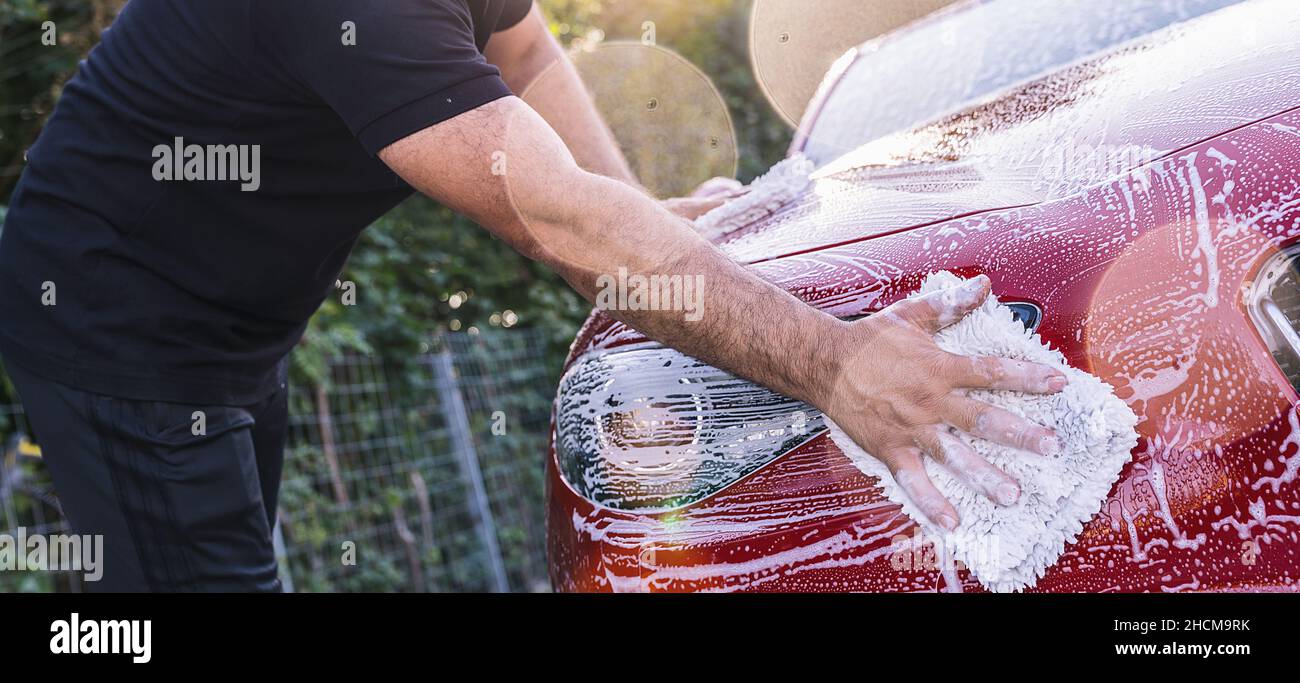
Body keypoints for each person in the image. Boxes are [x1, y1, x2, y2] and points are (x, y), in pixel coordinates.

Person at [0, 0, 1064, 591]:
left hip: (236, 327)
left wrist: (639, 215)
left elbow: (519, 43)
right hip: (110, 316)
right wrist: (836, 363)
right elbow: (553, 216)